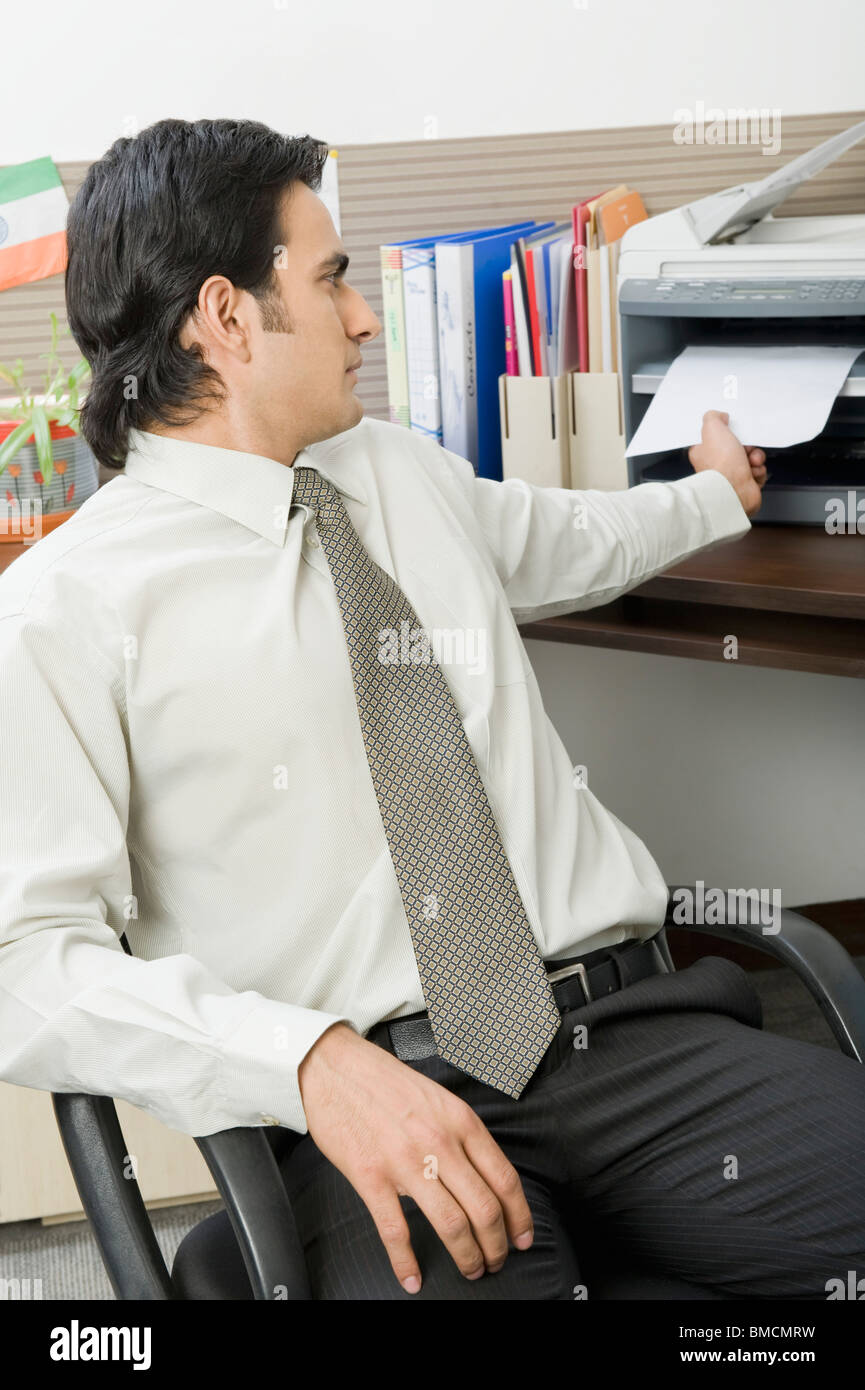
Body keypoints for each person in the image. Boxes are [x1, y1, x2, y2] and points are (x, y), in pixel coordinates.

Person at [0, 118, 861, 1303]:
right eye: (334, 278)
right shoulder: (61, 608)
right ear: (227, 316)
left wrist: (712, 492)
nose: (362, 320)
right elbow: (28, 963)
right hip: (367, 1114)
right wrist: (305, 1062)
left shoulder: (396, 474)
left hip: (630, 1040)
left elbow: (572, 543)